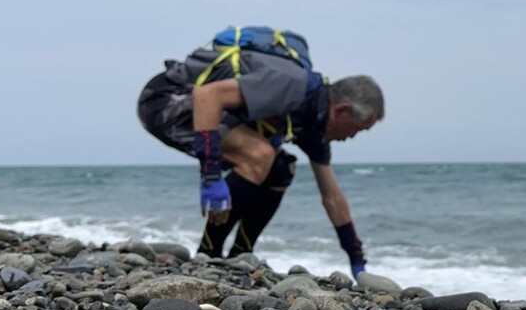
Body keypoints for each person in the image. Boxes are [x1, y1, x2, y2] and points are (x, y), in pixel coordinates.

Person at [137, 27, 384, 271]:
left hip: (199, 109)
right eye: (357, 128)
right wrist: (211, 175)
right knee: (259, 154)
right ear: (340, 110)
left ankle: (239, 257)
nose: (352, 136)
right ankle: (208, 254)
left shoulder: (313, 124)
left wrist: (356, 258)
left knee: (281, 167)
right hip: (165, 100)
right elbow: (207, 96)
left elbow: (332, 196)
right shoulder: (293, 84)